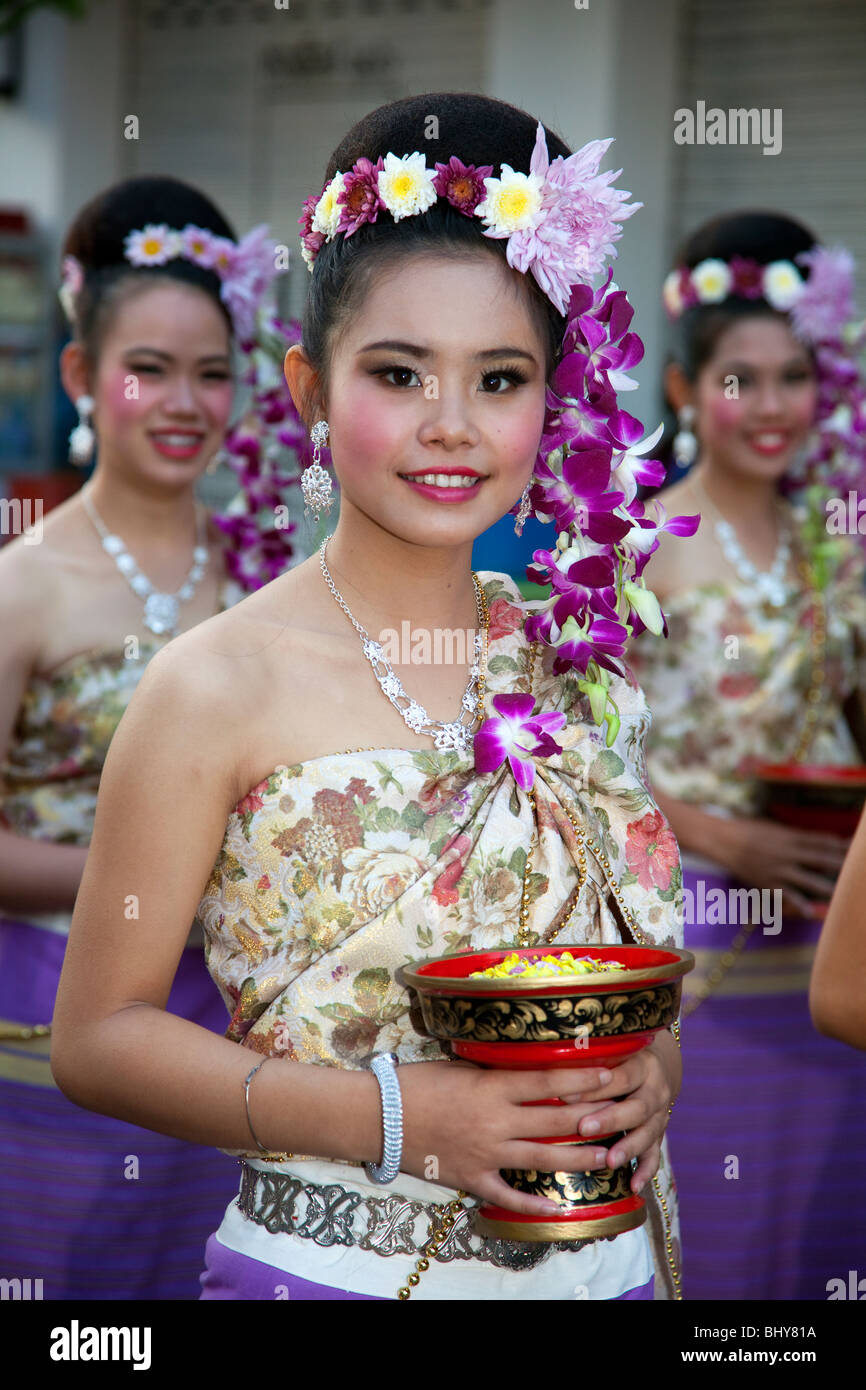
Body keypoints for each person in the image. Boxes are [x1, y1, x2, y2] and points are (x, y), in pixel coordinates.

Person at [51, 93, 693, 1301]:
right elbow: (98, 1040)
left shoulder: (567, 654)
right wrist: (400, 1120)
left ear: (553, 398)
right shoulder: (211, 684)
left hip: (599, 1270)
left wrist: (653, 1067)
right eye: (398, 373)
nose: (450, 427)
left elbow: (628, 964)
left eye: (499, 378)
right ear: (306, 384)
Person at [0, 175, 293, 1299]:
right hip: (49, 1016)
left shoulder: (267, 576)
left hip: (229, 1029)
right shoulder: (26, 587)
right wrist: (142, 883)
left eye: (213, 371)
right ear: (81, 374)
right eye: (149, 369)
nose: (185, 401)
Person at [627, 210, 866, 1299]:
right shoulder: (640, 544)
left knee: (816, 1233)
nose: (769, 407)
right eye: (738, 380)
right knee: (714, 1230)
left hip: (830, 944)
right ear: (682, 390)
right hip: (704, 940)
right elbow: (576, 760)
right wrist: (724, 836)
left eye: (790, 377)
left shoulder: (837, 540)